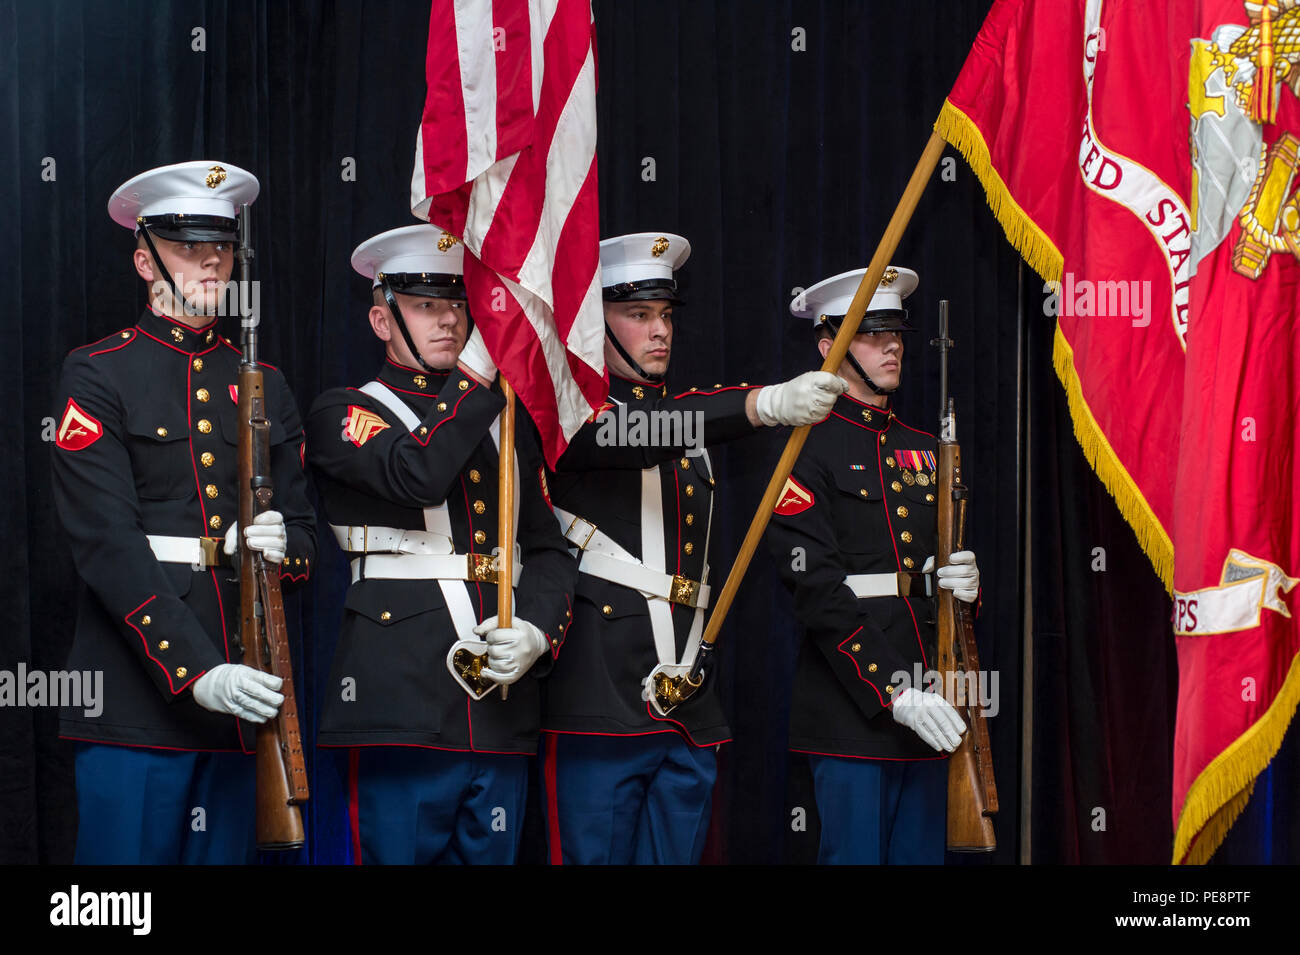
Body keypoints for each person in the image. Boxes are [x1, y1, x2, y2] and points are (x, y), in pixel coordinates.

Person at [541, 231, 846, 864]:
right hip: (598, 696)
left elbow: (680, 418)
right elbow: (640, 432)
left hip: (686, 691)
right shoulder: (568, 414)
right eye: (638, 314)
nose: (659, 331)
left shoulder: (688, 419)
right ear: (594, 325)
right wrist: (765, 405)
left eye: (665, 315)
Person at [52, 160, 316, 864]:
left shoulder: (265, 383)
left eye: (222, 245)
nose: (210, 260)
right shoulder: (98, 373)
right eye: (187, 245)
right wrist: (199, 671)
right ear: (144, 259)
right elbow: (107, 544)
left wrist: (282, 543)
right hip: (139, 703)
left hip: (243, 699)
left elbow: (310, 538)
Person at [306, 224, 575, 864]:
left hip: (501, 710)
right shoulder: (343, 411)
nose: (451, 321)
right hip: (403, 705)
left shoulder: (503, 419)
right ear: (381, 319)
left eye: (460, 304)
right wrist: (486, 372)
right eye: (427, 305)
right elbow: (418, 472)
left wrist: (538, 632)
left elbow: (547, 550)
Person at [767, 265, 982, 864]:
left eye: (897, 332)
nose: (892, 345)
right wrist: (894, 687)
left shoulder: (921, 447)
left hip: (932, 704)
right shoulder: (802, 447)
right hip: (854, 705)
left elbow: (931, 571)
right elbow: (815, 591)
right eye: (870, 332)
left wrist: (965, 586)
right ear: (828, 346)